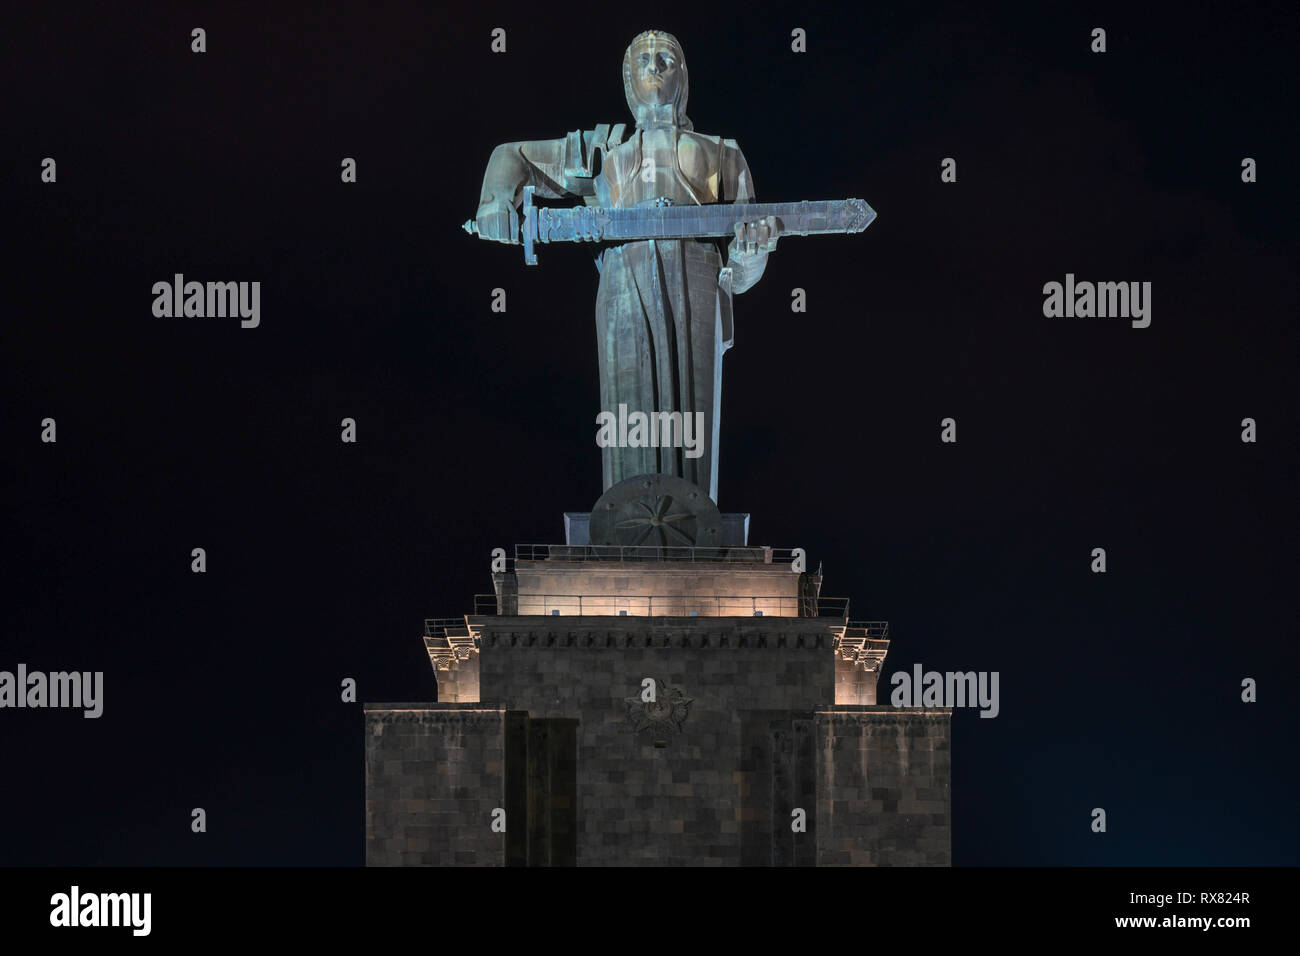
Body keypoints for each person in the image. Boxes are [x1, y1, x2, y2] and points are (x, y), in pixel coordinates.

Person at [472, 30, 780, 505]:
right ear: (627, 80)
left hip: (697, 282)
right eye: (643, 61)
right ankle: (624, 527)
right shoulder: (604, 152)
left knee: (692, 418)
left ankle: (693, 531)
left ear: (683, 77)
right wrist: (495, 200)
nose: (654, 67)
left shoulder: (722, 153)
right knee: (628, 413)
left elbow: (739, 276)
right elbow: (511, 157)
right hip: (623, 284)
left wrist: (751, 252)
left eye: (666, 59)